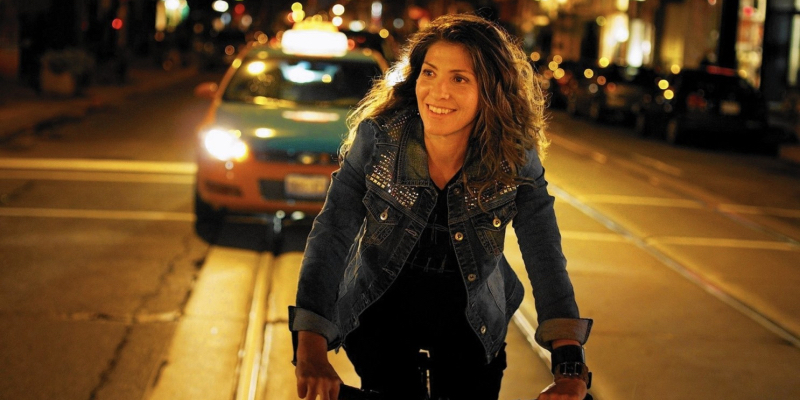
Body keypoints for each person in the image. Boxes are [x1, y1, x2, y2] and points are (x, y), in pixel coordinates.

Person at [289, 13, 593, 400]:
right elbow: (332, 232)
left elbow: (545, 250)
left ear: (491, 90)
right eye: (429, 73)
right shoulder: (379, 139)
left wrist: (568, 361)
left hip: (474, 326)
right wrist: (311, 345)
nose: (437, 92)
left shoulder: (513, 157)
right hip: (380, 319)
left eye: (459, 79)